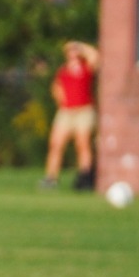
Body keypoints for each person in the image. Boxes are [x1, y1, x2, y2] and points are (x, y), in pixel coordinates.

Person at [43, 41, 100, 190]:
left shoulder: (86, 67)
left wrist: (80, 46)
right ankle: (51, 178)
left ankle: (85, 176)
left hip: (84, 110)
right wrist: (60, 98)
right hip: (66, 110)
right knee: (56, 144)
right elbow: (56, 86)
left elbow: (95, 56)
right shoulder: (63, 70)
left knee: (82, 143)